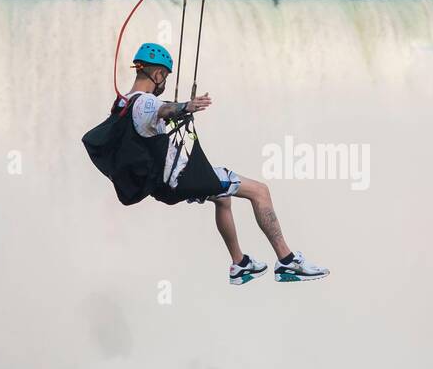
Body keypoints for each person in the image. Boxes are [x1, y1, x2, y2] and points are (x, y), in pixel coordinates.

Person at [92, 42, 329, 285]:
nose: (163, 83)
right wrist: (185, 106)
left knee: (222, 197)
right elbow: (163, 109)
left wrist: (179, 111)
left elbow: (150, 121)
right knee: (260, 192)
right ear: (158, 74)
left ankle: (240, 264)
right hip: (182, 179)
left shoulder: (123, 103)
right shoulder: (146, 102)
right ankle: (287, 261)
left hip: (162, 185)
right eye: (165, 77)